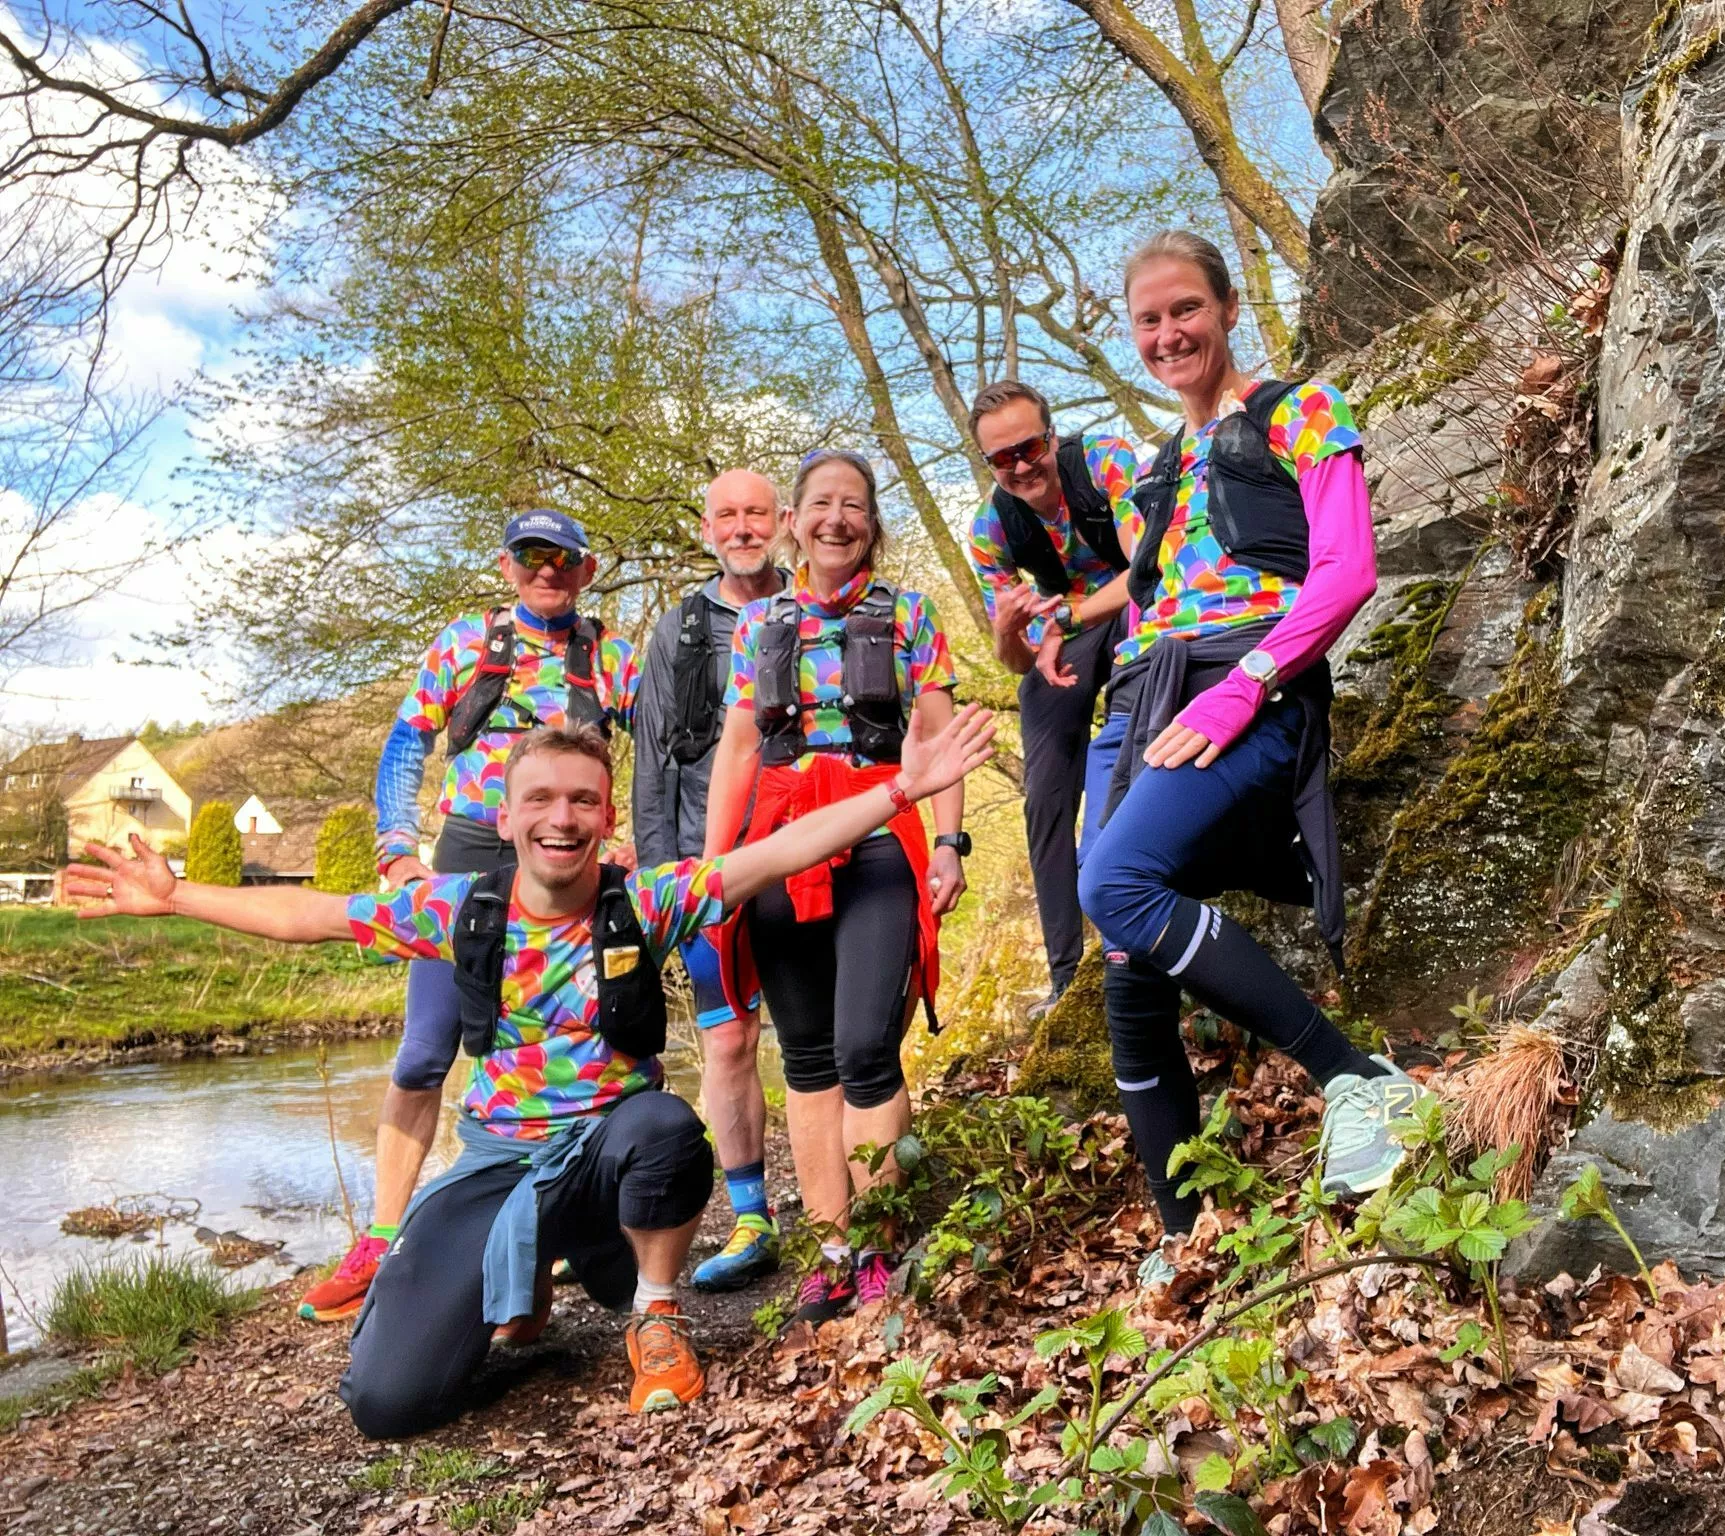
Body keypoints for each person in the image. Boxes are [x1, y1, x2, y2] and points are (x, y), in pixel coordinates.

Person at [63, 711, 997, 1437]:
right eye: (541, 800)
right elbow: (316, 914)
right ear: (505, 817)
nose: (562, 819)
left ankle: (654, 1313)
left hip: (610, 1157)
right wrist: (177, 893)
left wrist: (901, 793)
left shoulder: (646, 901)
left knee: (666, 1129)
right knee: (387, 1403)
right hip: (497, 1159)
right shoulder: (455, 907)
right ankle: (514, 1292)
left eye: (583, 801)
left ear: (605, 816)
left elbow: (775, 854)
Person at [1076, 231, 1425, 1284]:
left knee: (1116, 884)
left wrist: (1247, 686)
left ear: (1226, 310)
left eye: (1184, 309)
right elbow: (1144, 599)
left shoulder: (1297, 409)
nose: (1166, 332)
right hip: (1135, 702)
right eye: (1146, 319)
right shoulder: (1155, 463)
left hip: (1244, 687)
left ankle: (1359, 1081)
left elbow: (1346, 570)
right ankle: (1180, 1233)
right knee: (1125, 954)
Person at [299, 510, 638, 1324]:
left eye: (564, 559)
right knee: (425, 1051)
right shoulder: (466, 643)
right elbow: (406, 743)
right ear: (508, 564)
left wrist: (639, 846)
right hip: (469, 852)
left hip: (567, 860)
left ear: (586, 571)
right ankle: (382, 1239)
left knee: (559, 1041)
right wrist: (395, 848)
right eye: (532, 556)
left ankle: (545, 1235)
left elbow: (660, 748)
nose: (547, 570)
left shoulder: (612, 656)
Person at [702, 448, 967, 1325]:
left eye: (853, 506)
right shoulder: (757, 627)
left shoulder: (909, 616)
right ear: (795, 522)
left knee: (863, 1046)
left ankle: (882, 1244)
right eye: (820, 504)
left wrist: (950, 846)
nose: (836, 520)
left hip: (880, 825)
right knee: (806, 1054)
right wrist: (717, 870)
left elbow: (937, 741)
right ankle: (831, 1250)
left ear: (871, 524)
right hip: (779, 840)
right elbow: (739, 750)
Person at [631, 469, 790, 1292]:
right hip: (708, 864)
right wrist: (662, 874)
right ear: (706, 529)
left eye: (756, 513)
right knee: (727, 1039)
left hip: (807, 851)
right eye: (726, 515)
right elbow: (653, 756)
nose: (742, 527)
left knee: (814, 1032)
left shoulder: (817, 611)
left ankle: (853, 1210)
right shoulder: (679, 631)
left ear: (783, 521)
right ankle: (753, 1217)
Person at [966, 381, 1142, 1011]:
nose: (1021, 465)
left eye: (1030, 446)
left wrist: (1066, 618)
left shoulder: (1108, 462)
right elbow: (1016, 661)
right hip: (1065, 632)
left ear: (1052, 436)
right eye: (1001, 458)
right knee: (1044, 794)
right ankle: (1067, 971)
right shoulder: (990, 529)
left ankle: (1137, 919)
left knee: (1125, 757)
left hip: (1133, 607)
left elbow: (1151, 568)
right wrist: (1007, 629)